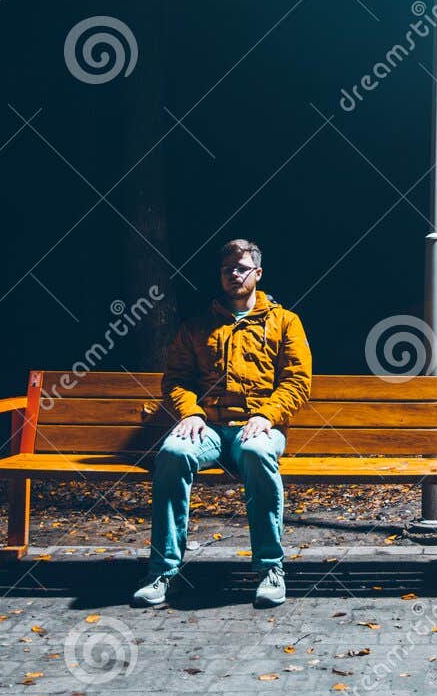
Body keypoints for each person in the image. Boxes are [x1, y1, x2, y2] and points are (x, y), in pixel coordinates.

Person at [132, 239, 312, 608]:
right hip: (209, 429)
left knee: (255, 452)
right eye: (227, 268)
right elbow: (176, 380)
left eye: (242, 268)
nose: (234, 274)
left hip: (260, 427)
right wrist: (191, 413)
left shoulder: (285, 322)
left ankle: (270, 569)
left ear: (257, 273)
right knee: (172, 452)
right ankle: (163, 572)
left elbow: (297, 382)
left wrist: (266, 415)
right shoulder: (197, 327)